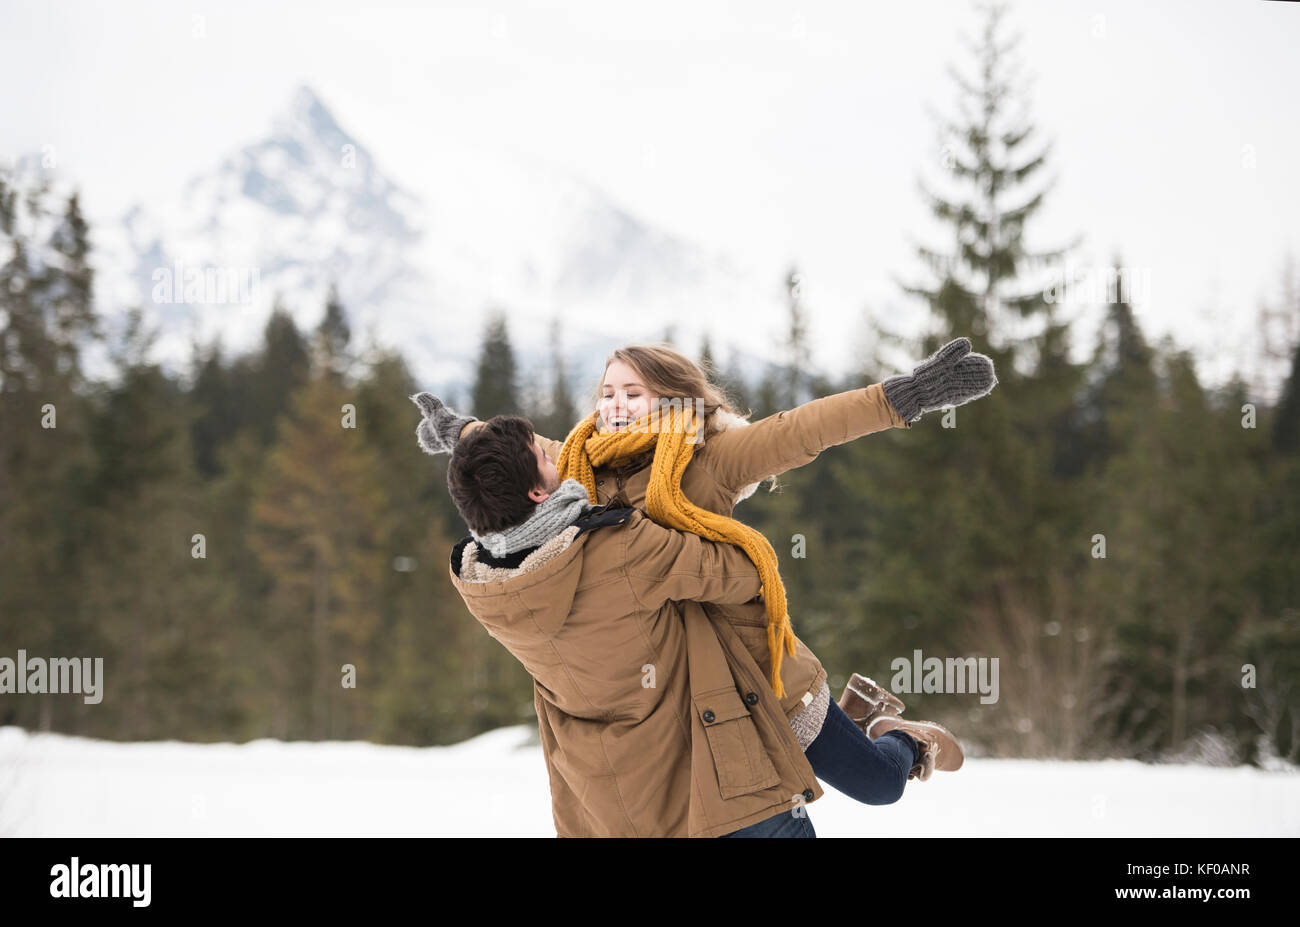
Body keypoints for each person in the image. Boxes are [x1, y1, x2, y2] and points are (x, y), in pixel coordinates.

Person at [417, 336, 996, 833]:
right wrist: (458, 433)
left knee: (877, 786)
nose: (614, 405)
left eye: (632, 393)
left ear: (671, 400)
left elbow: (799, 431)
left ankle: (903, 736)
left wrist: (904, 397)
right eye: (608, 392)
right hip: (681, 696)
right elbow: (518, 458)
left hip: (752, 674)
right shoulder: (578, 461)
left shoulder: (707, 459)